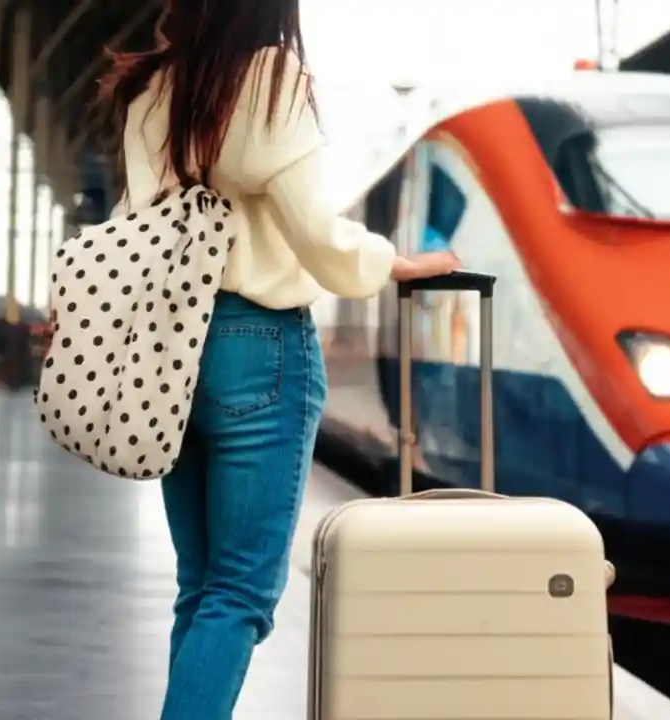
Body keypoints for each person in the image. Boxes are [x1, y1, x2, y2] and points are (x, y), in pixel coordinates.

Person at [97, 3, 460, 718]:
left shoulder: (154, 89)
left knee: (202, 587)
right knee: (238, 591)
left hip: (171, 349)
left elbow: (132, 230)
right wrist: (393, 262)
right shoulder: (270, 78)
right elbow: (314, 231)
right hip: (258, 345)